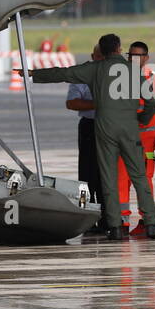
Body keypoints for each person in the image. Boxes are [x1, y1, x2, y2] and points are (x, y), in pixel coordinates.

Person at [27, 34, 155, 240]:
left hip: (105, 128)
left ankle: (115, 227)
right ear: (118, 48)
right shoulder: (133, 70)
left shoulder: (95, 68)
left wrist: (33, 74)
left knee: (108, 178)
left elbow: (64, 73)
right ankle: (152, 224)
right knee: (140, 177)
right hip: (130, 127)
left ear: (103, 50)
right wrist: (141, 119)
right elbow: (151, 103)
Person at [116, 41, 155, 235]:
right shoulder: (119, 79)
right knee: (122, 179)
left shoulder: (154, 79)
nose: (134, 59)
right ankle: (123, 220)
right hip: (126, 137)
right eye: (131, 55)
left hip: (148, 138)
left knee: (145, 180)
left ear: (146, 58)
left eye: (139, 56)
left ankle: (146, 220)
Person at [66, 44, 105, 232]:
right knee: (87, 174)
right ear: (92, 56)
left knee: (107, 174)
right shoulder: (82, 75)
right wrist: (99, 104)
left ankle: (108, 217)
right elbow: (71, 102)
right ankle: (88, 218)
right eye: (98, 57)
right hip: (90, 126)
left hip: (109, 127)